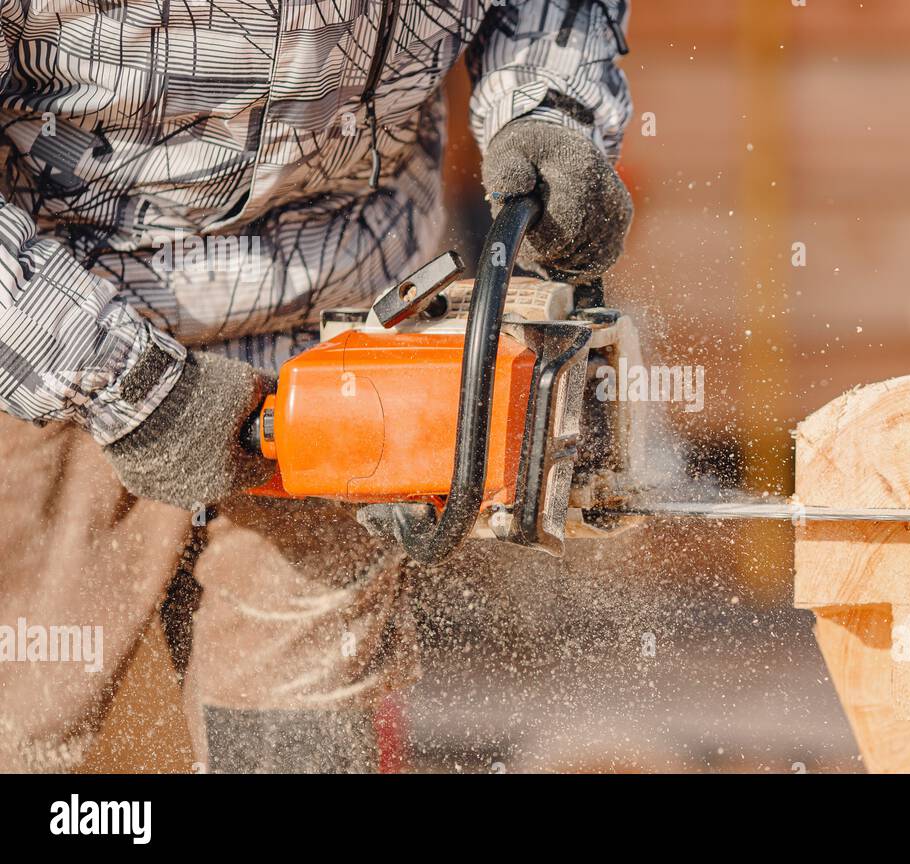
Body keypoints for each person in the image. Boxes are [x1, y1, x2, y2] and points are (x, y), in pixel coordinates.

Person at [0, 0, 632, 772]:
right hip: (46, 344)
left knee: (299, 743)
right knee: (23, 726)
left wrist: (549, 109)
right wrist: (118, 385)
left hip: (347, 355)